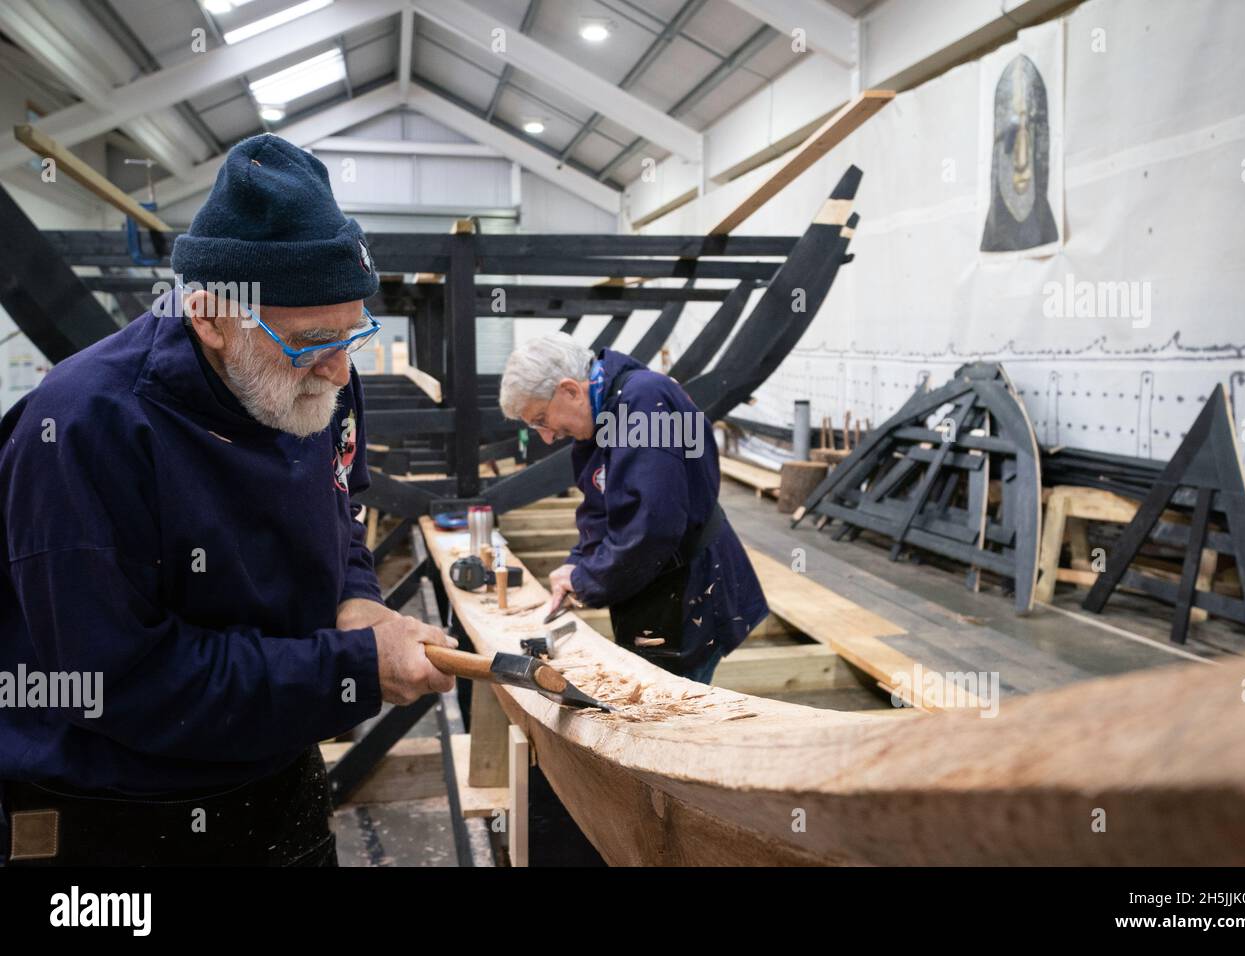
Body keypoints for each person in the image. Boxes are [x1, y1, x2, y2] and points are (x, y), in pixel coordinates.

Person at [0, 134, 454, 866]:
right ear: (211, 316)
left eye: (353, 334)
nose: (340, 370)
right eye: (310, 342)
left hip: (279, 768)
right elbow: (122, 680)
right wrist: (352, 669)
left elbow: (342, 519)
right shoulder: (85, 429)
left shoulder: (321, 381)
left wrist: (355, 597)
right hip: (123, 811)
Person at [499, 333, 768, 684]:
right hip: (658, 587)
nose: (547, 437)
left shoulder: (644, 401)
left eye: (540, 419)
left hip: (691, 588)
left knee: (673, 712)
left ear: (569, 390)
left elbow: (652, 525)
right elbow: (602, 506)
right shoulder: (603, 413)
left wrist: (587, 579)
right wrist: (579, 562)